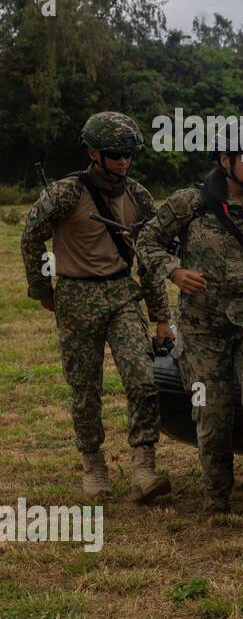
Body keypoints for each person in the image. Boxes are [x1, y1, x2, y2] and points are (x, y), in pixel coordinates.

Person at [137, 124, 243, 529]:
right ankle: (216, 499)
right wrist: (174, 270)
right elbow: (146, 242)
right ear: (226, 161)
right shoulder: (189, 204)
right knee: (211, 416)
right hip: (202, 332)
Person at [21, 112, 173, 502]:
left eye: (129, 154)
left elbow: (149, 257)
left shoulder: (138, 195)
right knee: (85, 389)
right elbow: (30, 237)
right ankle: (94, 466)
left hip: (122, 294)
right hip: (76, 297)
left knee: (143, 379)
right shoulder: (66, 193)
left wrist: (161, 317)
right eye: (114, 153)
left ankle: (144, 467)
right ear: (93, 152)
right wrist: (43, 288)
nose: (123, 161)